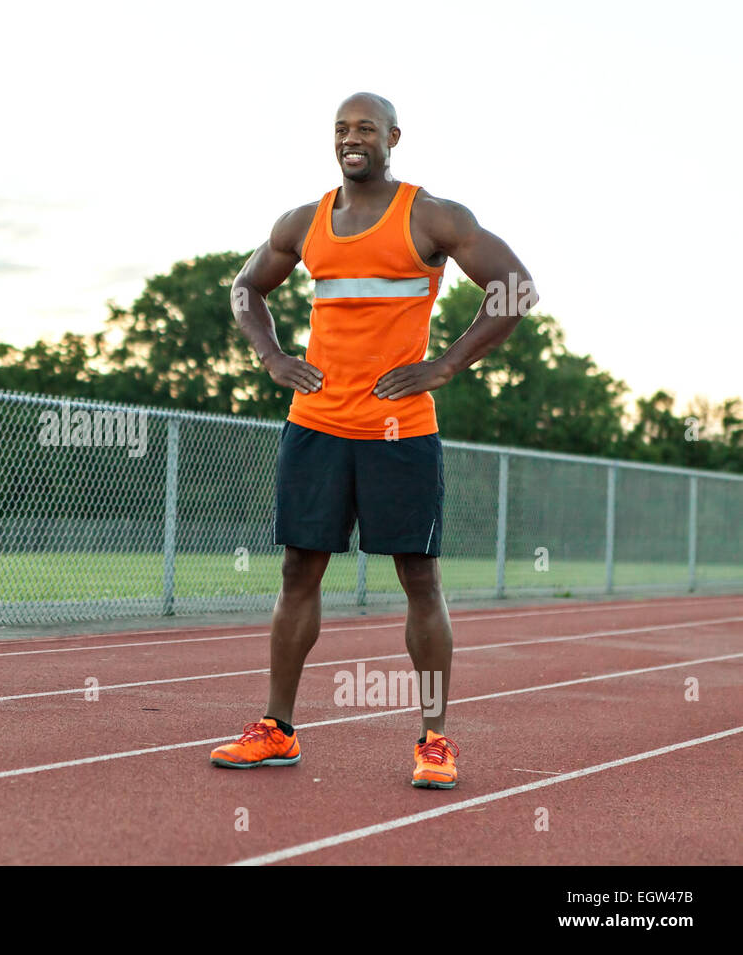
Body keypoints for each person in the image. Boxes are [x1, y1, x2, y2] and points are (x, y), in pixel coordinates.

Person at [211, 92, 536, 789]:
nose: (350, 139)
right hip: (317, 424)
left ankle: (435, 739)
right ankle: (277, 729)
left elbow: (514, 286)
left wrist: (446, 363)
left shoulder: (432, 215)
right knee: (299, 571)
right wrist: (271, 357)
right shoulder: (303, 222)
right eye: (340, 129)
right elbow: (245, 290)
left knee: (420, 580)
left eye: (365, 128)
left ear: (393, 137)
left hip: (400, 429)